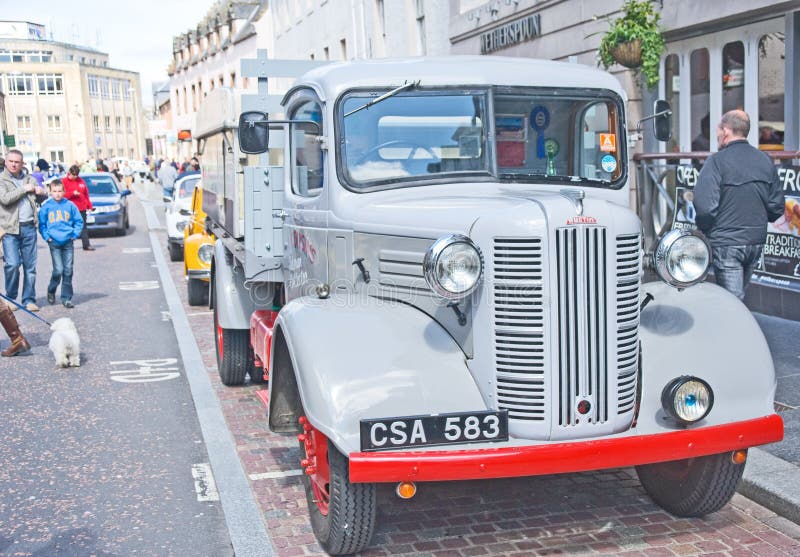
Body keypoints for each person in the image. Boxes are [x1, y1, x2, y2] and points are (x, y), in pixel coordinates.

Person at [694, 110, 785, 300]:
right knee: (737, 299)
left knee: (733, 303)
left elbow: (704, 208)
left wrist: (706, 230)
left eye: (718, 131)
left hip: (727, 242)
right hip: (755, 241)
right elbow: (776, 207)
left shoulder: (716, 162)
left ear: (725, 131)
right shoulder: (764, 160)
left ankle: (735, 330)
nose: (717, 135)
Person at [0, 149, 47, 312]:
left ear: (22, 164)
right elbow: (5, 199)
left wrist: (41, 192)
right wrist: (24, 189)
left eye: (17, 162)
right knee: (12, 264)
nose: (13, 164)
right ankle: (10, 298)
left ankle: (29, 299)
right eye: (11, 161)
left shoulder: (30, 179)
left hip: (28, 227)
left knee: (30, 266)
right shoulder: (1, 179)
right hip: (10, 229)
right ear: (6, 162)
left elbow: (41, 196)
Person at [38, 179, 83, 308]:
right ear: (50, 192)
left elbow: (78, 221)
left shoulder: (70, 205)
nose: (57, 194)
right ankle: (51, 289)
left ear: (64, 192)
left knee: (68, 270)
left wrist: (74, 234)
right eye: (54, 191)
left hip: (68, 241)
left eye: (59, 191)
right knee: (58, 270)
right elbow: (42, 224)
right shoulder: (46, 206)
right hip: (54, 242)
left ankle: (66, 298)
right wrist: (47, 237)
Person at [62, 165, 95, 251]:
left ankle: (86, 245)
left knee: (83, 226)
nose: (75, 176)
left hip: (81, 207)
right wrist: (72, 193)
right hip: (69, 208)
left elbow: (86, 195)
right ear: (70, 173)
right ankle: (66, 245)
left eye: (76, 175)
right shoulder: (64, 181)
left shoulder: (81, 181)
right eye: (73, 174)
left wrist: (89, 206)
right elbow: (61, 195)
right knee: (68, 226)